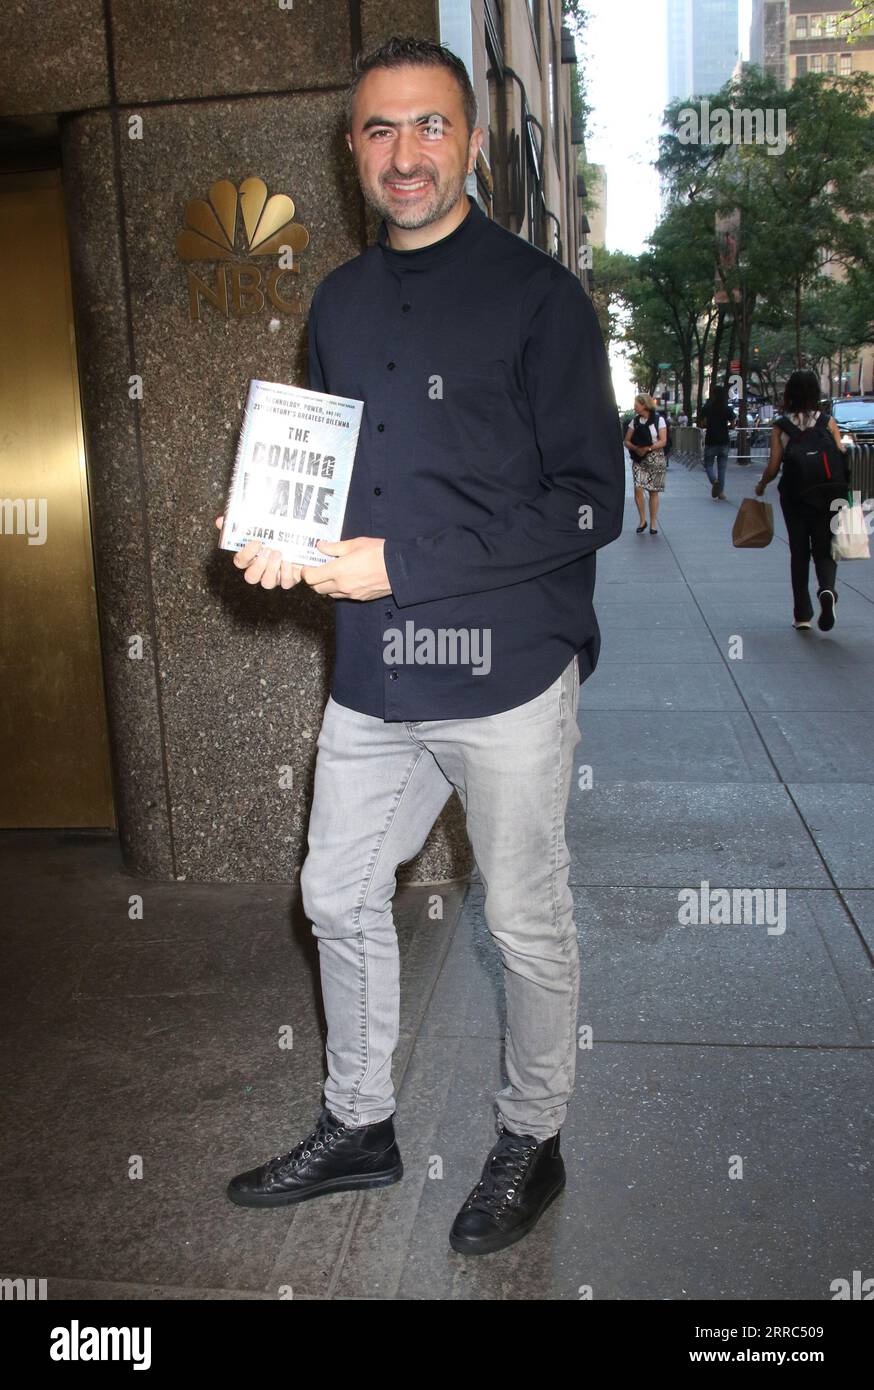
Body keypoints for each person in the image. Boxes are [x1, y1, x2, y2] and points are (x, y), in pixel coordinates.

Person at [217, 35, 625, 1256]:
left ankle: (532, 1136)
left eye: (429, 127)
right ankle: (359, 1124)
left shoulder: (539, 297)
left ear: (472, 143)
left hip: (502, 669)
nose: (406, 153)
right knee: (335, 893)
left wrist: (399, 561)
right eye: (380, 130)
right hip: (375, 675)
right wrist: (285, 541)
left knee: (522, 920)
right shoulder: (337, 303)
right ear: (352, 152)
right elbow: (340, 477)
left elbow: (586, 499)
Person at [755, 369, 847, 631]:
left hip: (795, 495)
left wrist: (762, 485)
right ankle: (826, 589)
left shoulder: (781, 425)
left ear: (789, 393)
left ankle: (802, 613)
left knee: (799, 552)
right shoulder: (828, 422)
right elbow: (840, 454)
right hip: (829, 494)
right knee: (824, 547)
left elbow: (773, 466)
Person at [625, 392, 667, 534]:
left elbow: (663, 440)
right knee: (638, 488)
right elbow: (626, 440)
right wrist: (636, 448)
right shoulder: (635, 421)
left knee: (653, 491)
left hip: (655, 457)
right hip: (639, 458)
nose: (634, 407)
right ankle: (642, 520)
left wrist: (648, 448)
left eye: (636, 405)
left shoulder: (658, 420)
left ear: (644, 405)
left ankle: (653, 522)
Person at [698, 385, 735, 499]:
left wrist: (706, 424)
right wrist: (730, 426)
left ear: (712, 394)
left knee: (708, 464)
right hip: (724, 440)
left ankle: (714, 481)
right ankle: (721, 492)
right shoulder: (727, 408)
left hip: (711, 439)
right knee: (722, 468)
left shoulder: (707, 407)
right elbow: (733, 421)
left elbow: (702, 422)